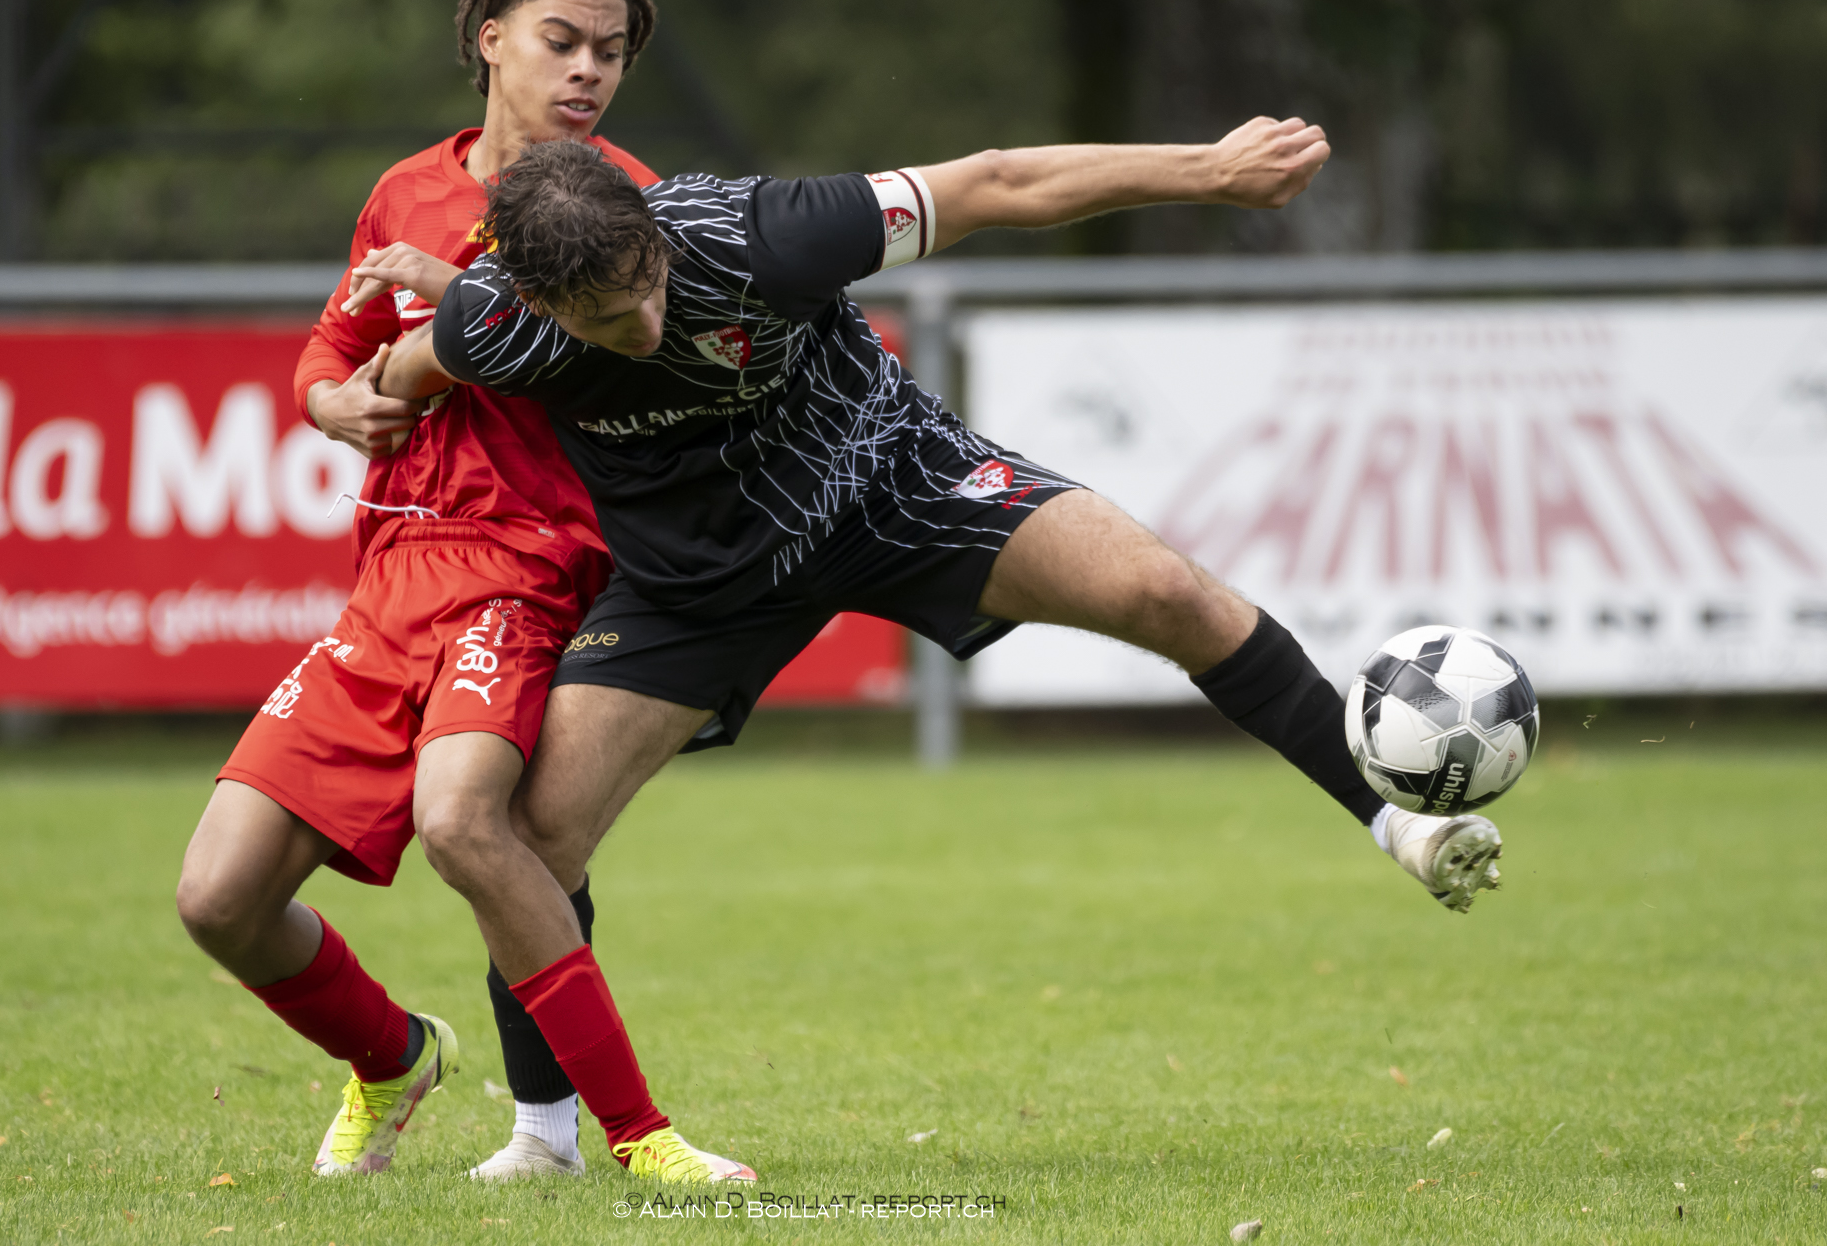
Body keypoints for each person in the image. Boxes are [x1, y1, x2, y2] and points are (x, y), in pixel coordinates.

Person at [350, 122, 1509, 1091]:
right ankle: (544, 1135)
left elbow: (998, 181)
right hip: (699, 578)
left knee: (1162, 588)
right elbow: (403, 378)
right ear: (533, 298)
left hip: (892, 481)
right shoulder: (486, 321)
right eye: (603, 324)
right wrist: (348, 398)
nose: (641, 328)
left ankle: (1396, 820)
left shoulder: (763, 232)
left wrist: (1208, 170)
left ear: (652, 237)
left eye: (644, 290)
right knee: (538, 835)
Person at [173, 0, 752, 1188]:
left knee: (466, 825)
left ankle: (638, 1142)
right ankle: (392, 1058)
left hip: (528, 569)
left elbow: (649, 366)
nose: (589, 69)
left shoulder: (625, 207)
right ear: (488, 38)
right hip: (390, 580)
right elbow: (332, 351)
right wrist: (333, 406)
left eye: (610, 52)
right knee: (216, 897)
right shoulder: (402, 190)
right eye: (563, 41)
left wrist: (465, 303)